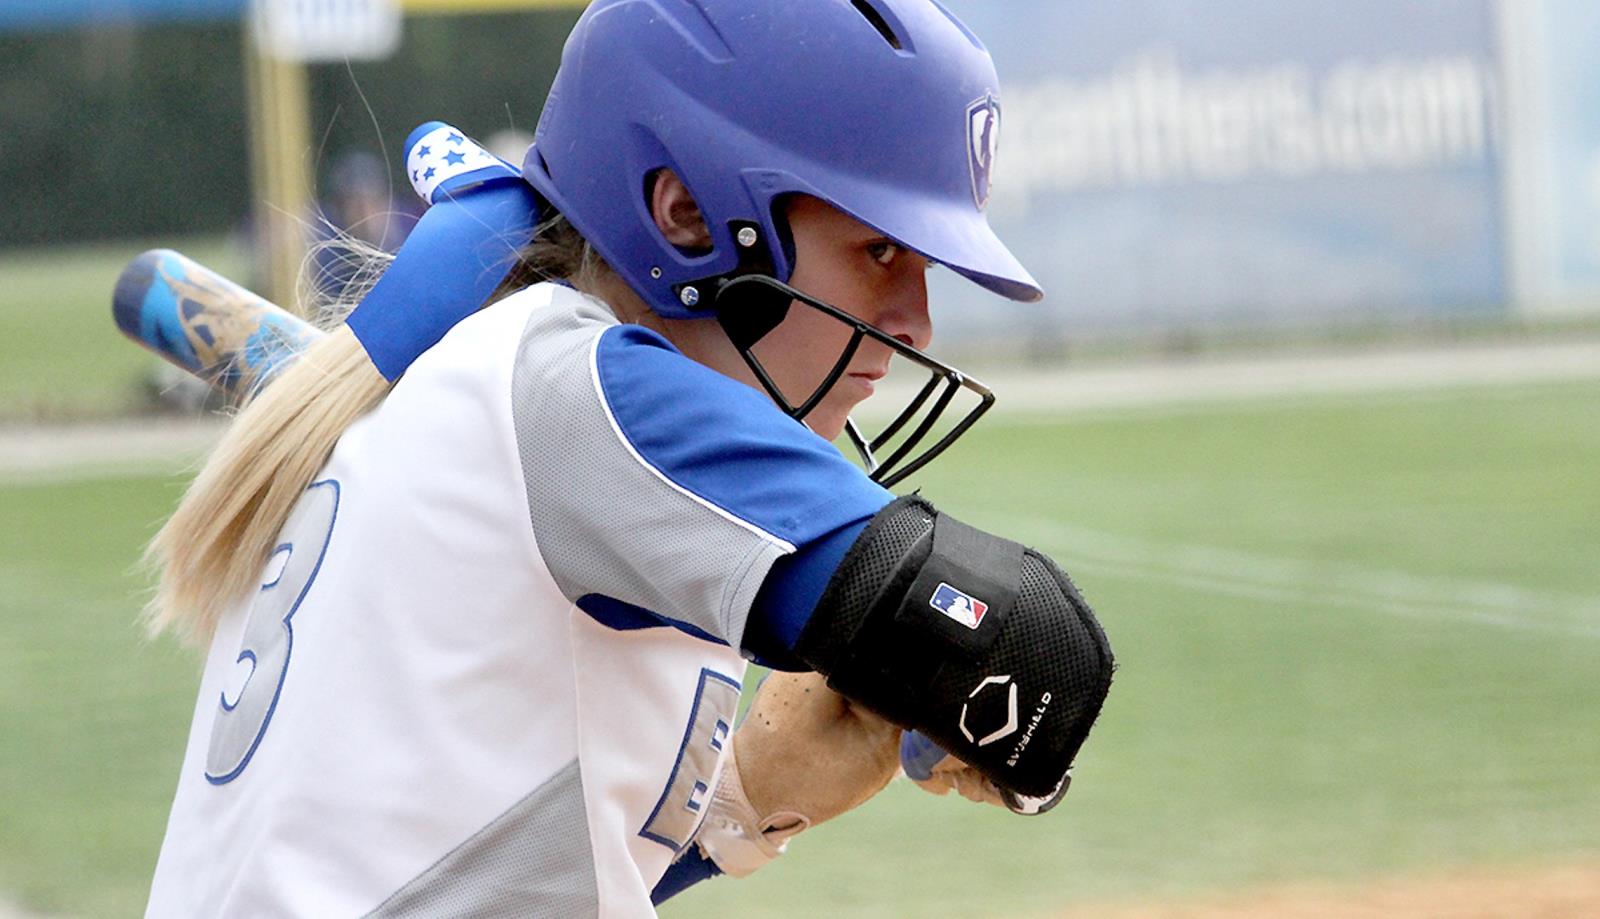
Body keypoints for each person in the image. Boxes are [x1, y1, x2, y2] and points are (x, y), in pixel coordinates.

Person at [139, 1, 1113, 915]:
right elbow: (1026, 647)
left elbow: (503, 869)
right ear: (685, 215)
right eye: (878, 253)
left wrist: (745, 793)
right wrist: (966, 687)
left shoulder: (484, 392)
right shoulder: (597, 389)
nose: (918, 324)